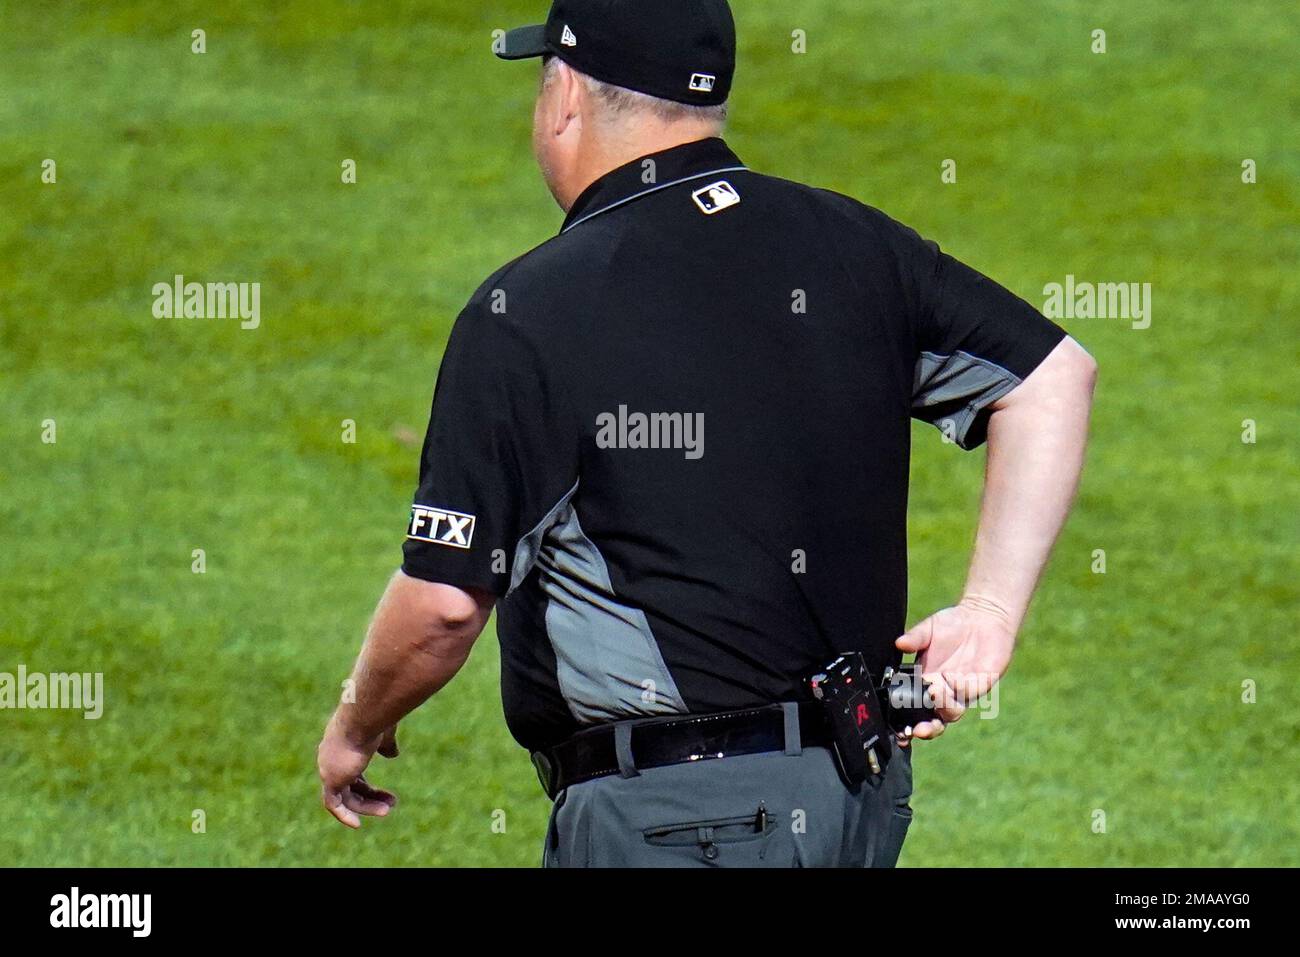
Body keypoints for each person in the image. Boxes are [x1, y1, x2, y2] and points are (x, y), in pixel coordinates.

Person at [316, 0, 1097, 867]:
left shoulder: (532, 310)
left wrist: (357, 719)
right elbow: (1053, 374)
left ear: (564, 94)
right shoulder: (855, 246)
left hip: (679, 824)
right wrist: (989, 611)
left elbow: (444, 604)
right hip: (857, 800)